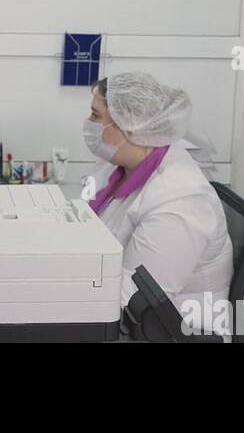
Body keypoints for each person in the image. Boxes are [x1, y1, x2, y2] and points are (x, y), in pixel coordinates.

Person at [83, 72, 233, 336]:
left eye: (96, 116)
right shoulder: (119, 167)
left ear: (130, 127)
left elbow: (134, 298)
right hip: (124, 319)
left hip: (167, 333)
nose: (88, 124)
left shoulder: (181, 200)